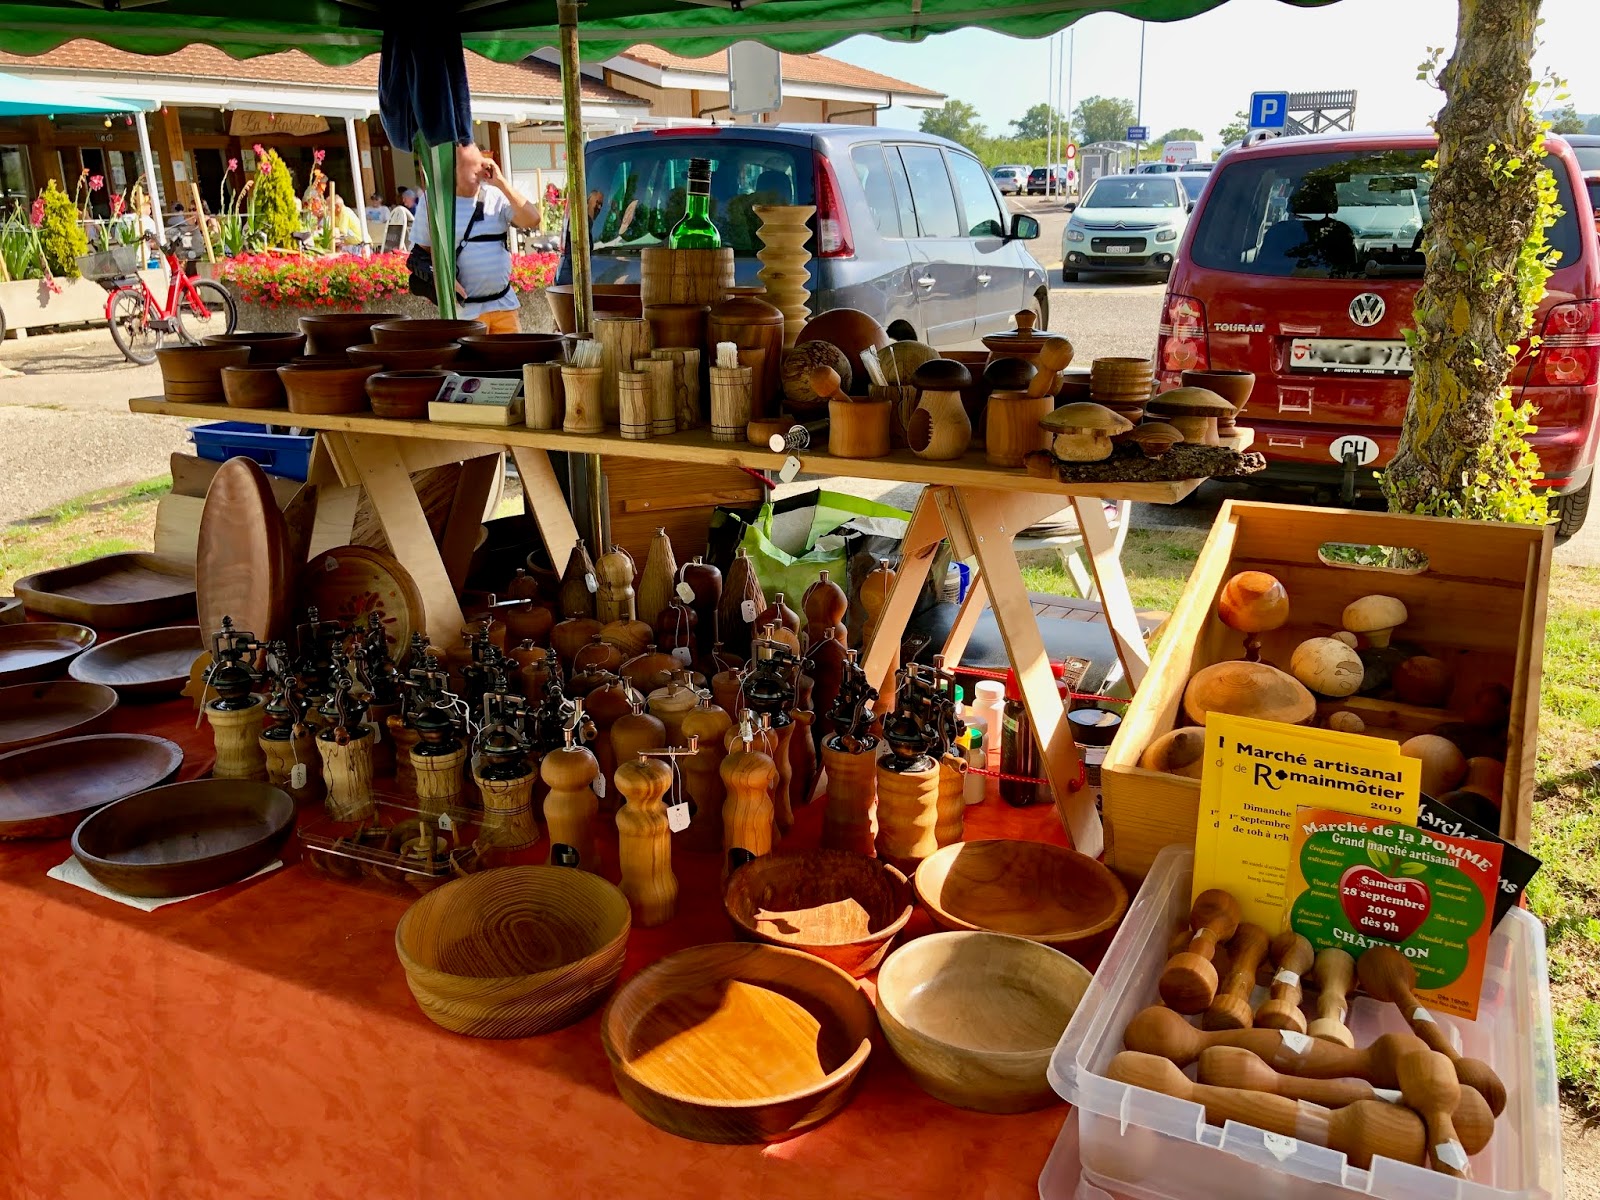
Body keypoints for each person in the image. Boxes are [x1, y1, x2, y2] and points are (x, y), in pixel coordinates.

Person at [411, 143, 540, 333]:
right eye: (470, 168)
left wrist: (502, 182)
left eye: (480, 166)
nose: (478, 174)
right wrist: (443, 279)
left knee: (511, 361)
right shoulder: (434, 201)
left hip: (503, 304)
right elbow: (421, 253)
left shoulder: (496, 195)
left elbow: (533, 219)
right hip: (465, 313)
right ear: (453, 170)